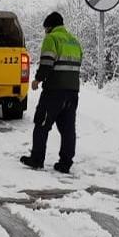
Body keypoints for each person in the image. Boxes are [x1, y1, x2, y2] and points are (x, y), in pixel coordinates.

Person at [20, 12, 82, 173]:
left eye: (45, 28)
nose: (45, 31)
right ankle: (65, 162)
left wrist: (37, 80)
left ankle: (37, 159)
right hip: (73, 91)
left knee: (41, 123)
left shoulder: (52, 38)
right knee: (68, 128)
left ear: (49, 27)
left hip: (54, 90)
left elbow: (47, 62)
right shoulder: (74, 41)